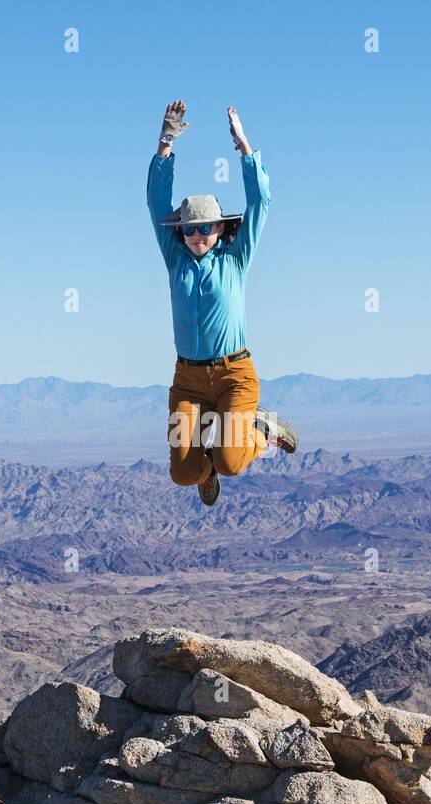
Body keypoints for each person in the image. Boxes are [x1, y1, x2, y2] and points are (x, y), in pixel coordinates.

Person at [148, 100, 299, 507]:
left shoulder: (235, 259)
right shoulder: (175, 257)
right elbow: (155, 202)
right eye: (190, 229)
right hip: (188, 382)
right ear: (181, 234)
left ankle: (261, 430)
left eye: (206, 228)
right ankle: (206, 468)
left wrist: (244, 148)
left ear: (220, 228)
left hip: (235, 376)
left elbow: (261, 204)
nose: (198, 235)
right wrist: (166, 143)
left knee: (232, 462)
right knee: (183, 472)